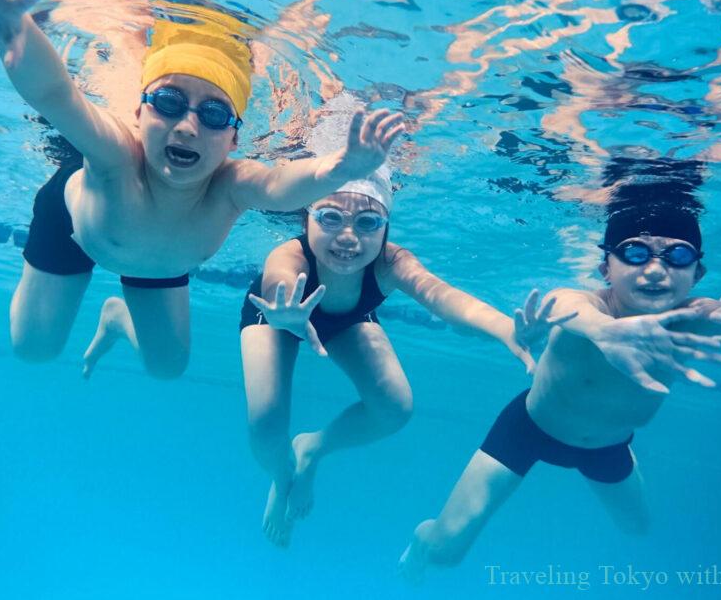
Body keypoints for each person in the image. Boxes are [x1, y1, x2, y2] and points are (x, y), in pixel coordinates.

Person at [0, 0, 405, 379]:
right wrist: (9, 26)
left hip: (154, 260)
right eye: (169, 103)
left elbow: (283, 185)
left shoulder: (231, 185)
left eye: (215, 114)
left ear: (234, 139)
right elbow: (55, 93)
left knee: (169, 368)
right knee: (35, 350)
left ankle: (117, 315)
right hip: (74, 224)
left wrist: (341, 169)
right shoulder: (114, 155)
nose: (188, 126)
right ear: (138, 111)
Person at [398, 188, 721, 582]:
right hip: (527, 430)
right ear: (606, 267)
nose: (655, 269)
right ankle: (420, 542)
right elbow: (567, 305)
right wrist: (604, 331)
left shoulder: (696, 315)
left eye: (677, 256)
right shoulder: (586, 303)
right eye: (635, 253)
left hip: (609, 446)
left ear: (697, 273)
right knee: (445, 550)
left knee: (638, 529)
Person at [237, 97, 571, 547]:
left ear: (386, 226)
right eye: (331, 217)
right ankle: (282, 479)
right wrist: (284, 307)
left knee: (394, 408)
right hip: (277, 315)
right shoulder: (291, 255)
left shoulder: (392, 262)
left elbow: (445, 297)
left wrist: (504, 329)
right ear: (306, 216)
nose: (349, 237)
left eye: (368, 222)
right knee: (265, 427)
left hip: (345, 321)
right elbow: (279, 276)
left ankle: (313, 447)